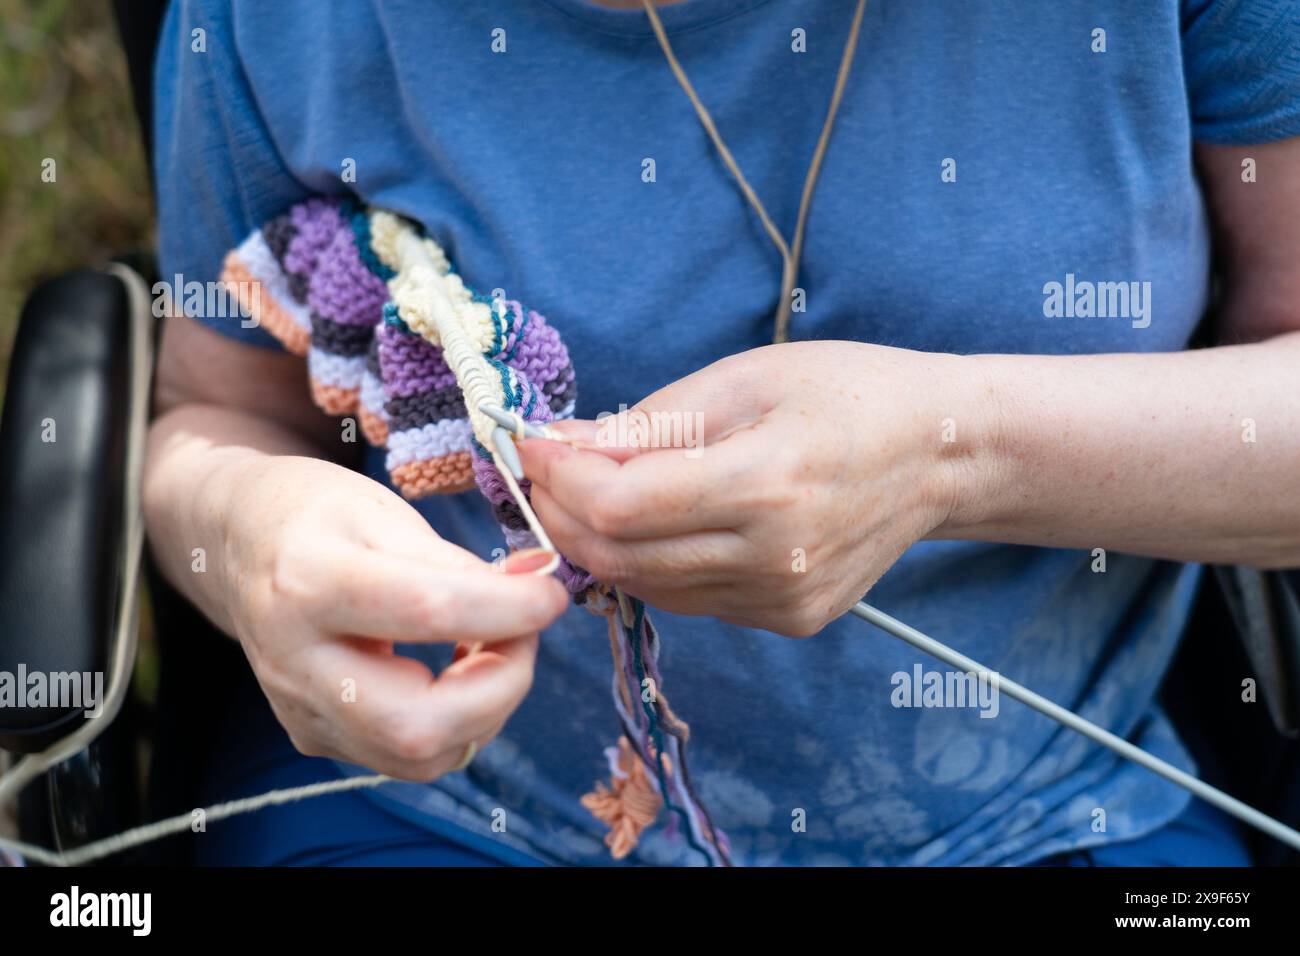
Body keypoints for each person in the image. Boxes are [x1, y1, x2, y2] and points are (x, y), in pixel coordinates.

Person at [144, 0, 1300, 865]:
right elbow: (217, 408)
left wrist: (957, 451)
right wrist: (247, 535)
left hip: (1057, 803)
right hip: (439, 807)